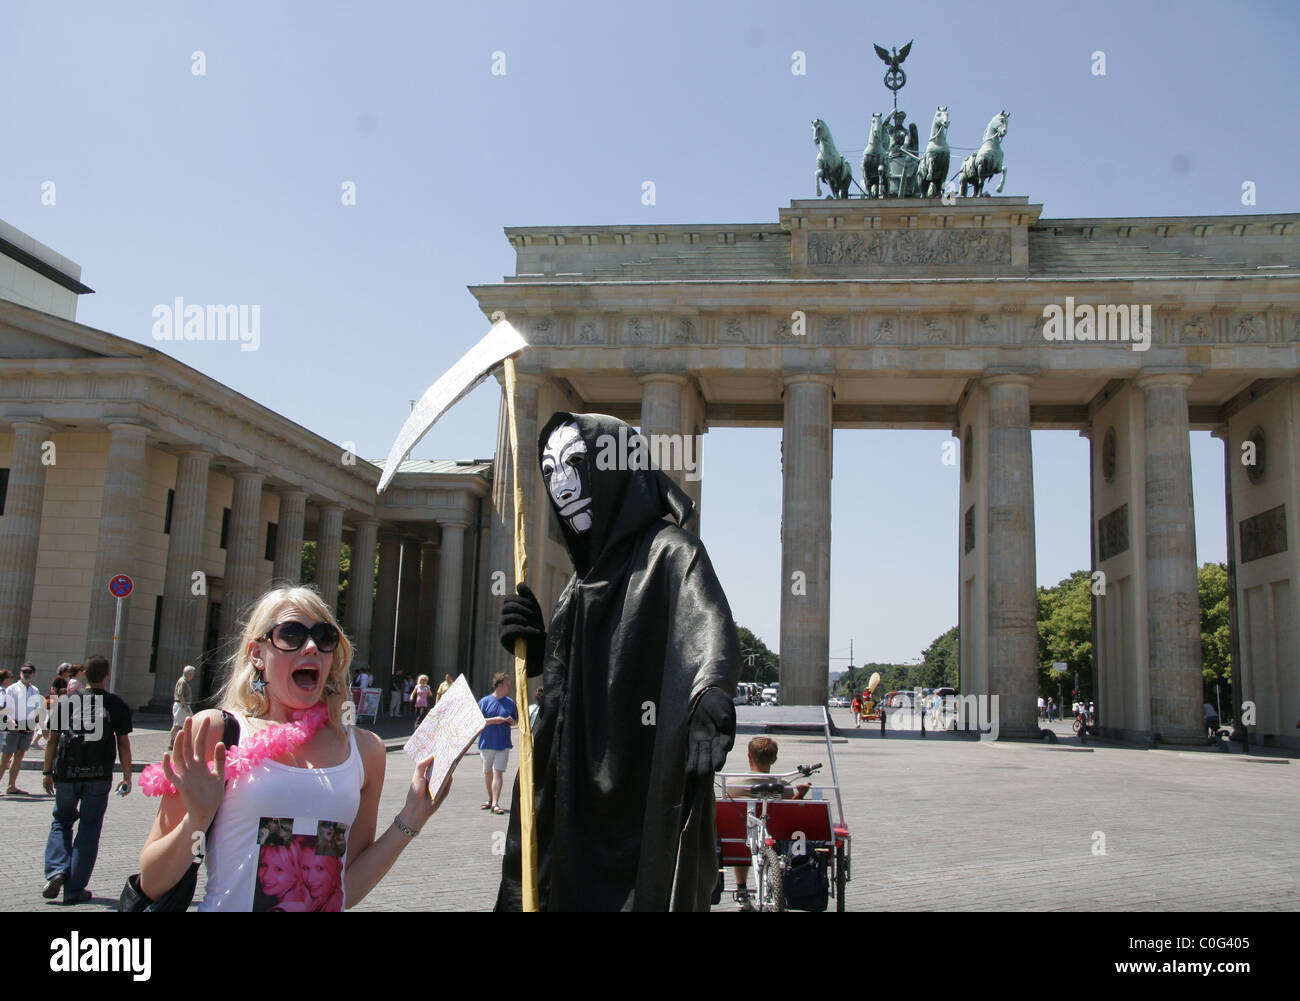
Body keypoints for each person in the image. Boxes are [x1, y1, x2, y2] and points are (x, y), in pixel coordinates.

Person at [496, 412, 740, 911]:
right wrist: (542, 649)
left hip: (640, 784)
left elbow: (706, 626)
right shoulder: (582, 581)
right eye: (549, 470)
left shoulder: (672, 554)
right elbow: (579, 670)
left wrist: (710, 694)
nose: (560, 486)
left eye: (575, 465)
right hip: (573, 791)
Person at [136, 585, 453, 911]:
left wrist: (412, 817)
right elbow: (153, 882)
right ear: (257, 654)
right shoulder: (215, 732)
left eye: (324, 636)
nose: (312, 646)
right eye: (291, 634)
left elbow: (343, 890)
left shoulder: (365, 750)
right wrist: (197, 818)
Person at [41, 654, 134, 904]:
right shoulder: (115, 704)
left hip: (66, 773)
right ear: (107, 675)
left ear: (85, 676)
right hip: (99, 775)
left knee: (61, 820)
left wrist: (47, 771)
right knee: (89, 829)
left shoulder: (67, 701)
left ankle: (56, 869)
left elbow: (53, 738)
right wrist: (127, 776)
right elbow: (123, 742)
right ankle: (74, 889)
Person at [724, 736, 809, 911]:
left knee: (742, 836)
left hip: (736, 845)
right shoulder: (784, 787)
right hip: (778, 841)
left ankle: (741, 888)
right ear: (774, 759)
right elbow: (790, 812)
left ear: (749, 756)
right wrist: (799, 795)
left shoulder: (732, 784)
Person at [477, 673, 517, 815]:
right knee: (488, 773)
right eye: (507, 685)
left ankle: (495, 803)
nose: (509, 687)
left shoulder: (510, 702)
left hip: (503, 743)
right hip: (486, 742)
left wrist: (512, 721)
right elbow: (477, 721)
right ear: (499, 686)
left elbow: (516, 720)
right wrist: (496, 720)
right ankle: (490, 798)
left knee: (497, 773)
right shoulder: (484, 701)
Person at [2, 663, 42, 795]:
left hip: (28, 725)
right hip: (13, 724)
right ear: (20, 673)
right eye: (24, 672)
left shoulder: (35, 690)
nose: (26, 674)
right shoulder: (13, 689)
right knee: (6, 756)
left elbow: (36, 708)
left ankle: (11, 786)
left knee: (19, 756)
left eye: (29, 672)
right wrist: (10, 720)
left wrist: (36, 723)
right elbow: (6, 706)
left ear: (33, 674)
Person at [168, 665, 197, 751]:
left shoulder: (184, 681)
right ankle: (173, 742)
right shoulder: (183, 682)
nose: (193, 676)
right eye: (192, 674)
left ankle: (177, 742)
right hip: (181, 705)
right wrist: (185, 706)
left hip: (183, 705)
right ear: (189, 674)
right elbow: (180, 695)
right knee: (178, 725)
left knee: (185, 723)